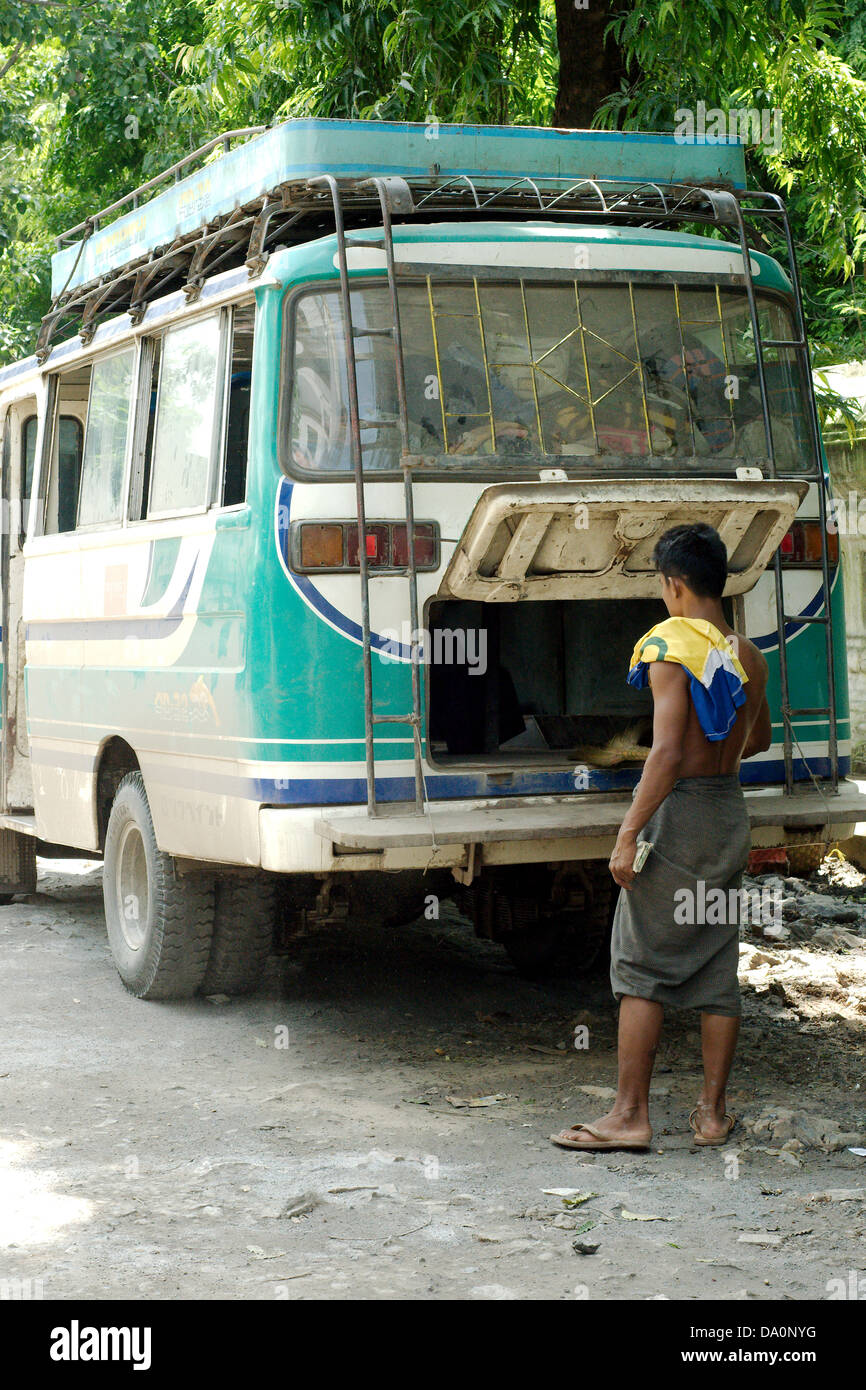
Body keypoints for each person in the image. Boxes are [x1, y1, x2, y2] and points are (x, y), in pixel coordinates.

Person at [551, 522, 771, 1151]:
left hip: (680, 814)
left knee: (642, 962)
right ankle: (710, 1115)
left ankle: (629, 1117)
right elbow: (759, 741)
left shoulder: (670, 648)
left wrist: (627, 834)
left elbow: (668, 752)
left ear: (674, 585)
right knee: (715, 962)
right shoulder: (746, 654)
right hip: (728, 814)